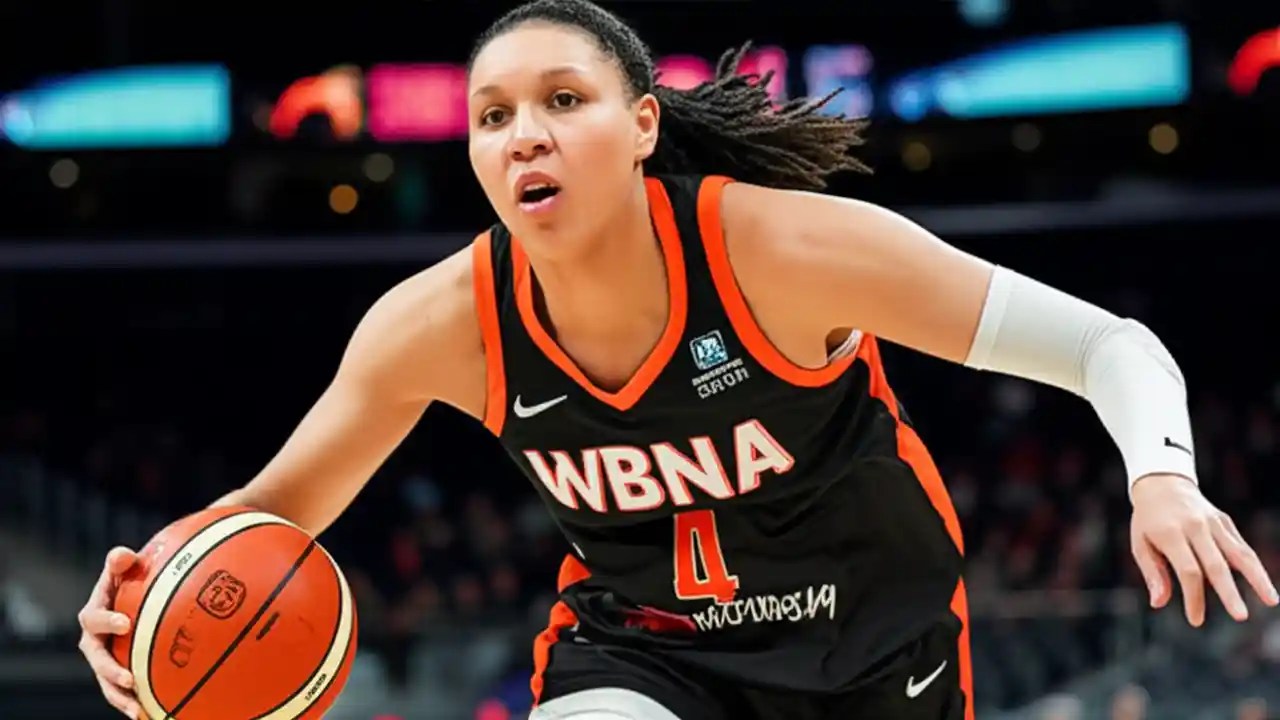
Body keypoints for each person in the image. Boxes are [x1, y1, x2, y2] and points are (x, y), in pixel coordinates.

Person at [76, 1, 1279, 719]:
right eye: (492, 116)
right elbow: (269, 516)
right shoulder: (436, 322)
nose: (523, 134)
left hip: (875, 640)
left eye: (561, 99)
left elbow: (1102, 344)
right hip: (645, 648)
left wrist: (1160, 477)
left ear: (643, 123)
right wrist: (142, 594)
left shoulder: (783, 251)